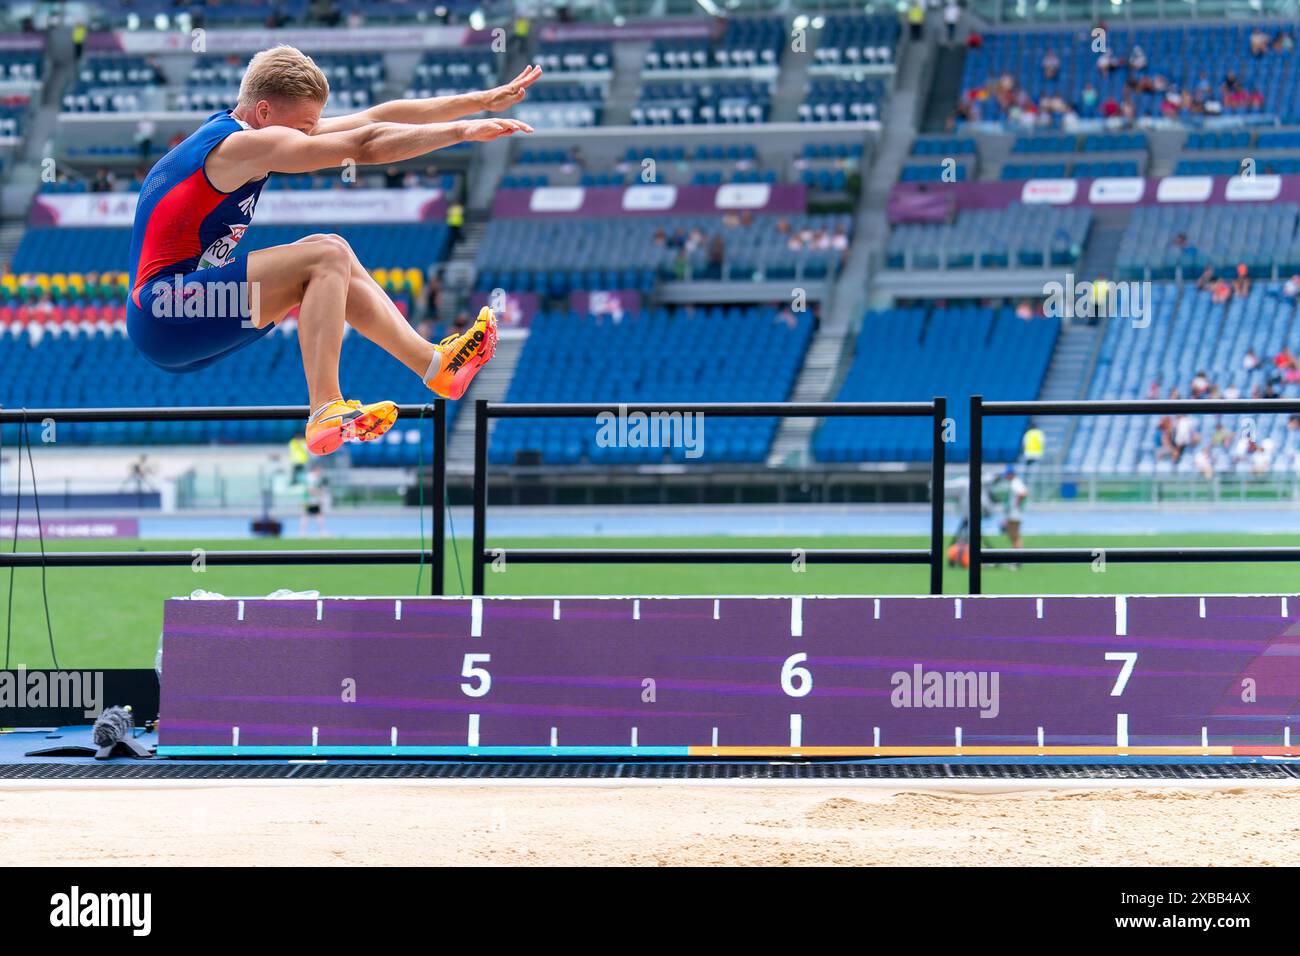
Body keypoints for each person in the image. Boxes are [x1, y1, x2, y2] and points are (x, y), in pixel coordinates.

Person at [125, 46, 540, 456]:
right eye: (305, 128)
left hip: (180, 315)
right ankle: (325, 408)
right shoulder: (239, 148)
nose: (312, 134)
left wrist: (480, 101)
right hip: (166, 311)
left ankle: (437, 367)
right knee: (324, 255)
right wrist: (462, 133)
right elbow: (365, 145)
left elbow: (377, 117)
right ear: (265, 112)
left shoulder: (248, 131)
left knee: (334, 250)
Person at [300, 464, 329, 536]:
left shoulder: (314, 478)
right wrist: (319, 494)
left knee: (315, 515)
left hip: (312, 499)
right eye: (319, 470)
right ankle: (303, 532)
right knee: (308, 515)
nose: (320, 472)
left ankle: (304, 532)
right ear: (315, 470)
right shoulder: (311, 478)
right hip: (310, 500)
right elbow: (311, 490)